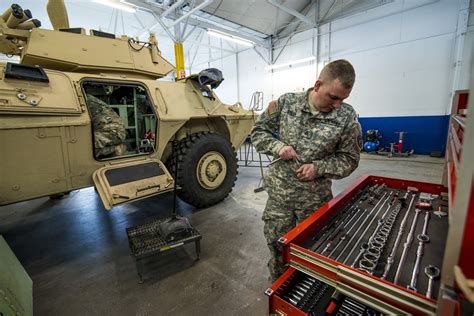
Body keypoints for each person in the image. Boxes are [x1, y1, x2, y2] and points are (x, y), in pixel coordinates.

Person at [250, 59, 362, 282]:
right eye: (333, 97)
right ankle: (279, 292)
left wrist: (318, 167)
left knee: (314, 252)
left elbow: (350, 159)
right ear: (318, 85)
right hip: (279, 199)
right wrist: (277, 146)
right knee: (277, 249)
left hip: (314, 202)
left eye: (343, 99)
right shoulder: (286, 103)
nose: (338, 104)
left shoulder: (347, 117)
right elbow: (258, 131)